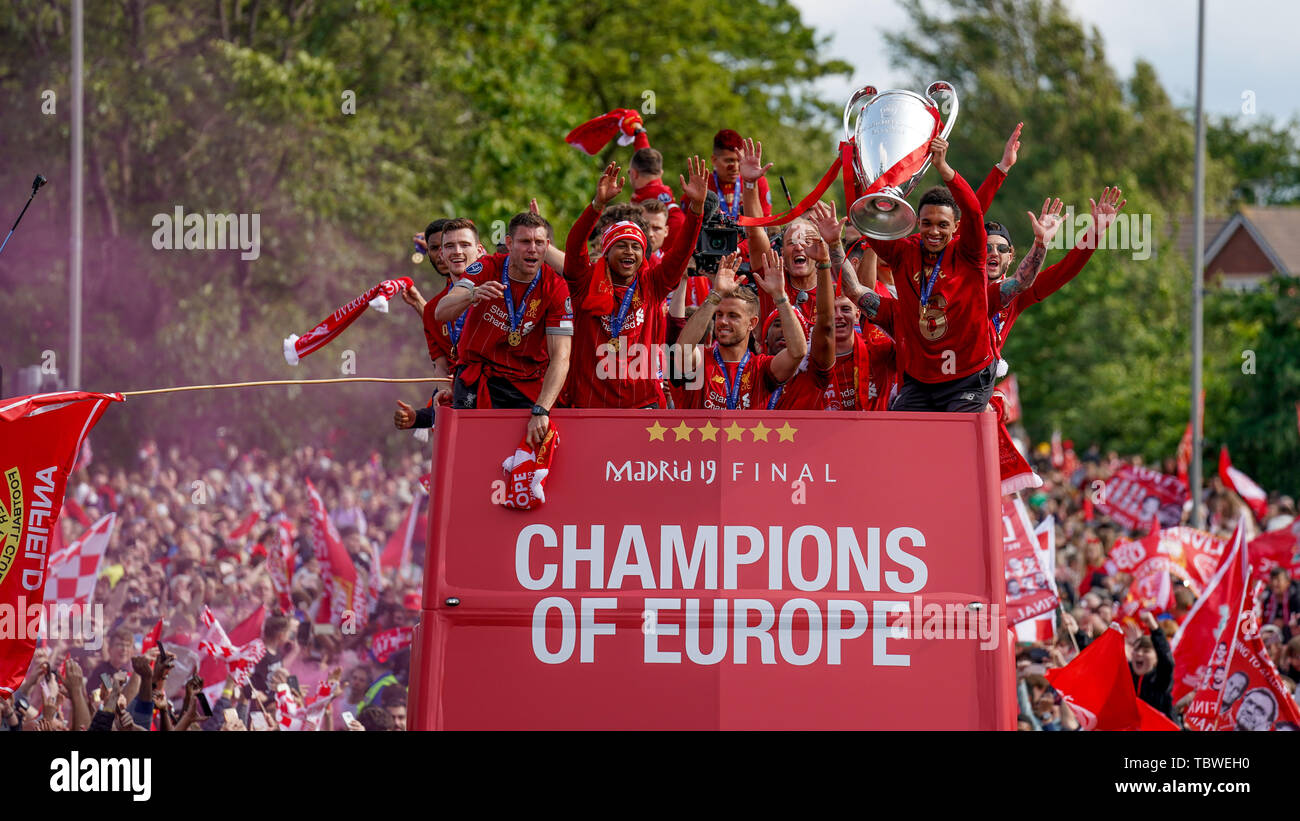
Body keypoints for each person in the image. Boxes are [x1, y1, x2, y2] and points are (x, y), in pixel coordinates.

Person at [852, 136, 1000, 412]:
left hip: (967, 379)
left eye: (943, 225)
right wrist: (856, 169)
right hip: (921, 380)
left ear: (956, 227)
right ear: (916, 223)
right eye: (927, 223)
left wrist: (946, 171)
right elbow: (867, 222)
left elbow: (974, 212)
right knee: (901, 440)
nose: (934, 231)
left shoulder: (969, 254)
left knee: (955, 442)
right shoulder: (903, 253)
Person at [561, 157, 707, 409]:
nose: (629, 252)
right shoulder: (584, 282)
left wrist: (696, 210)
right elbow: (574, 247)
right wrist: (597, 205)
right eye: (621, 245)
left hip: (642, 406)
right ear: (606, 251)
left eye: (636, 247)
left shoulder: (652, 284)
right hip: (590, 405)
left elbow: (681, 253)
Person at [433, 212, 573, 445]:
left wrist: (542, 409)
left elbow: (561, 356)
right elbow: (441, 311)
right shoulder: (487, 267)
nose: (532, 249)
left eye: (539, 243)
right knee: (472, 452)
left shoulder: (555, 287)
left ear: (547, 246)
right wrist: (472, 294)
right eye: (525, 242)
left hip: (525, 385)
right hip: (478, 380)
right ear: (509, 243)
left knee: (523, 456)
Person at [673, 249, 807, 409]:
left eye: (733, 316)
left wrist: (780, 296)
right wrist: (715, 295)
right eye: (719, 314)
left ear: (752, 323)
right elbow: (682, 348)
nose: (722, 321)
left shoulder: (761, 368)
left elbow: (798, 352)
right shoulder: (701, 361)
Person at [738, 139, 851, 325]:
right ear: (781, 253)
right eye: (791, 242)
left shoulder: (839, 290)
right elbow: (756, 233)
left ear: (820, 248)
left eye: (806, 240)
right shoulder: (772, 277)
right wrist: (750, 184)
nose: (799, 246)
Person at [394, 217, 484, 431]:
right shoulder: (435, 307)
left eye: (464, 245)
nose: (457, 252)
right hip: (463, 399)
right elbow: (442, 366)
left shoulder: (496, 288)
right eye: (446, 247)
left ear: (480, 250)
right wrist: (438, 399)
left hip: (502, 400)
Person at [707, 129, 771, 218]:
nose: (736, 168)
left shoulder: (757, 182)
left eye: (740, 161)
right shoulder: (703, 185)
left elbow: (765, 223)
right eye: (729, 161)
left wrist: (751, 185)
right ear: (714, 160)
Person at [1130, 610, 1174, 718]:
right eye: (1136, 650)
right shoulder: (1127, 673)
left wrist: (1154, 628)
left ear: (1156, 659)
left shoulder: (1160, 680)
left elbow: (1167, 661)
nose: (1139, 654)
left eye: (1146, 651)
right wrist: (1081, 633)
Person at [1262, 567, 1300, 640]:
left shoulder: (1296, 597)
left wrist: (1285, 624)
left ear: (1287, 582)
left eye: (1278, 580)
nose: (1274, 583)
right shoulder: (1266, 597)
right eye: (1272, 579)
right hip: (1272, 636)